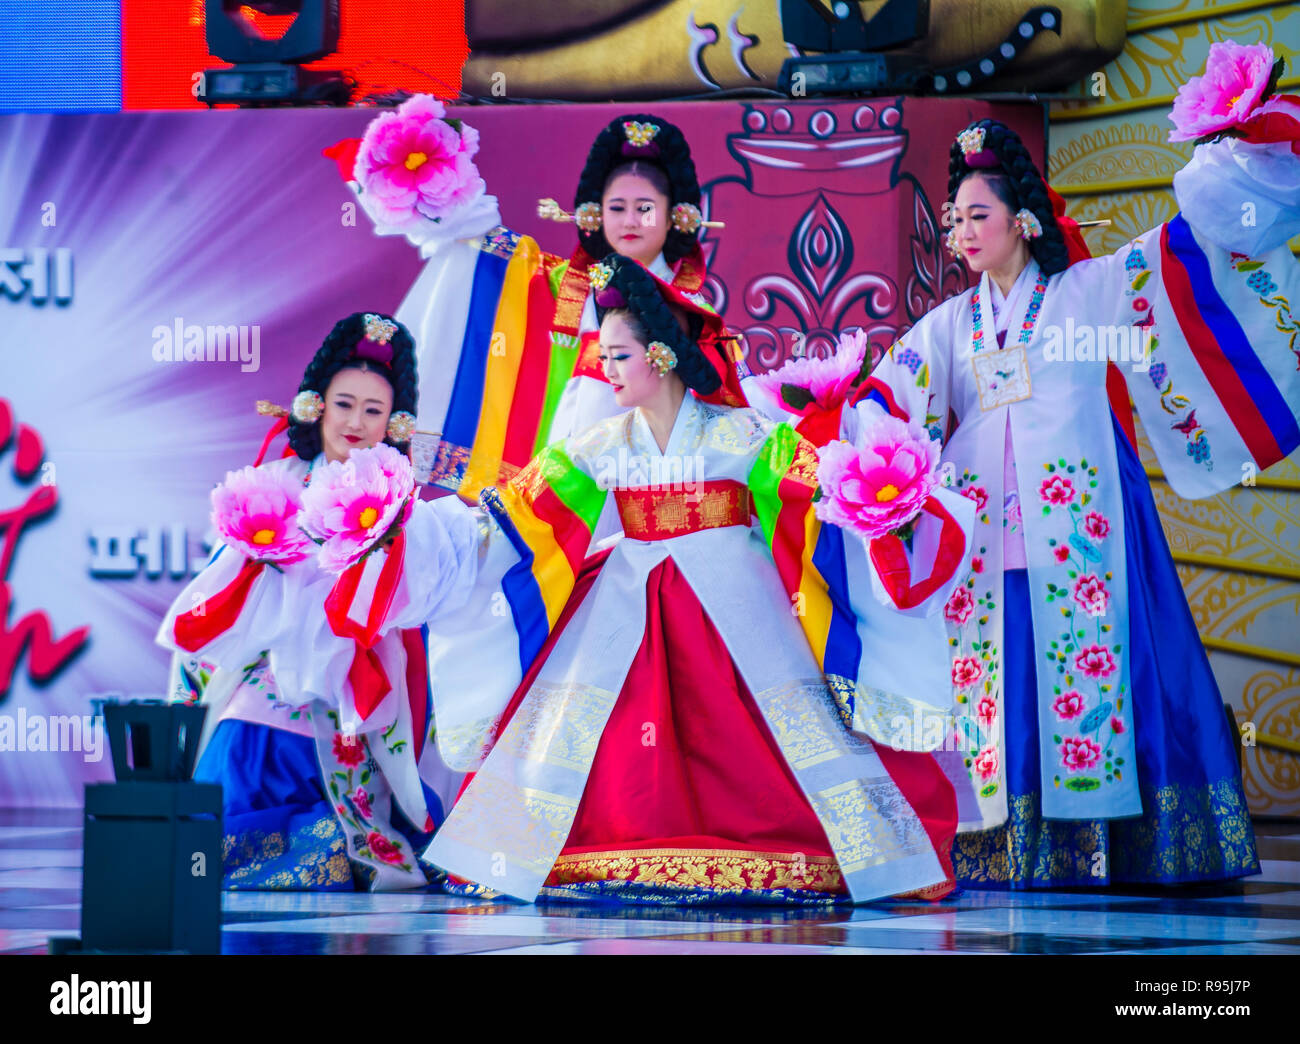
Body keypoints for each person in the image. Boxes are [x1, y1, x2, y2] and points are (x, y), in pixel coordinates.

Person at [319, 256, 976, 904]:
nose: (606, 369)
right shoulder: (600, 444)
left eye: (619, 355)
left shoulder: (745, 431)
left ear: (661, 357)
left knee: (774, 723)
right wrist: (417, 533)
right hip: (625, 598)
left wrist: (882, 498)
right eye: (603, 356)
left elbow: (820, 497)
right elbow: (514, 517)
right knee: (593, 730)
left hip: (741, 602)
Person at [847, 87, 1299, 887]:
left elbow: (1185, 258)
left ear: (1023, 220)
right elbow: (890, 395)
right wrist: (844, 418)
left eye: (977, 215)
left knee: (1098, 672)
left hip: (1082, 521)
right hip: (988, 540)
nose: (961, 233)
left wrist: (1236, 157)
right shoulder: (952, 325)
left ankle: (1121, 847)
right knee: (1003, 680)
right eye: (954, 220)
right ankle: (1004, 843)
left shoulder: (1089, 295)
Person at [329, 107, 746, 511]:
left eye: (646, 209)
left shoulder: (694, 308)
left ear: (676, 218)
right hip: (573, 461)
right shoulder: (563, 287)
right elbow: (492, 257)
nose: (630, 221)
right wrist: (444, 207)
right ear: (594, 216)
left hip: (662, 476)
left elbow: (728, 396)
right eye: (616, 208)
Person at [157, 312, 441, 891]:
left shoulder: (399, 499)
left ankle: (345, 843)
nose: (355, 422)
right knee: (239, 750)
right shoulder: (276, 482)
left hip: (352, 670)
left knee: (357, 786)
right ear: (317, 405)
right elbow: (222, 586)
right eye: (344, 404)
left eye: (373, 410)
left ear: (394, 423)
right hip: (271, 664)